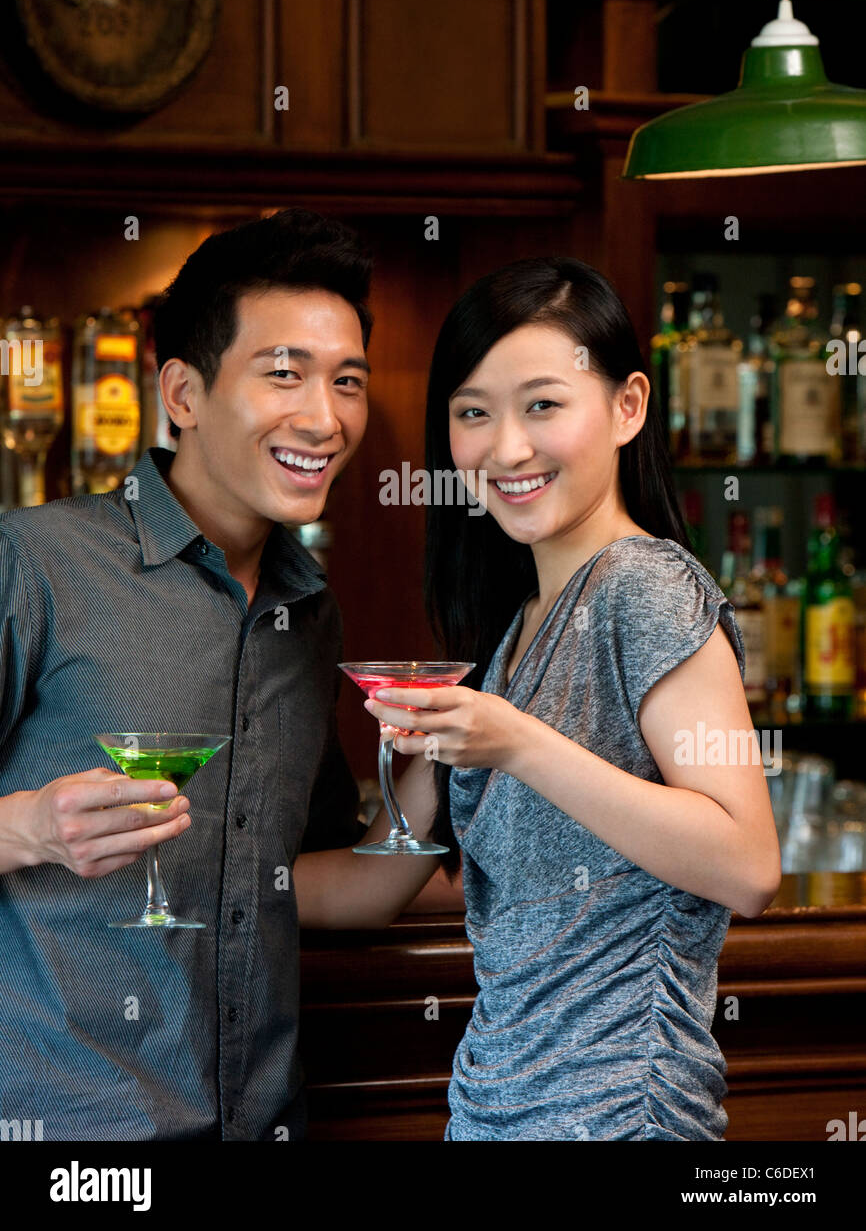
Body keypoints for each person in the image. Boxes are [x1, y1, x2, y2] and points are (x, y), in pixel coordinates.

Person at [298, 256, 782, 1141]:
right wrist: (182, 876)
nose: (507, 447)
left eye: (544, 405)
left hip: (620, 1115)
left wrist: (516, 743)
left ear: (627, 406)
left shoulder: (645, 588)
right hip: (495, 1110)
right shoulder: (510, 637)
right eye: (474, 412)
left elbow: (746, 863)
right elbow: (369, 888)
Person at [0, 207, 378, 1141]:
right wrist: (29, 826)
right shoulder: (38, 565)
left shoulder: (307, 611)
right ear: (182, 393)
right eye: (283, 374)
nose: (323, 418)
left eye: (348, 381)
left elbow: (298, 872)